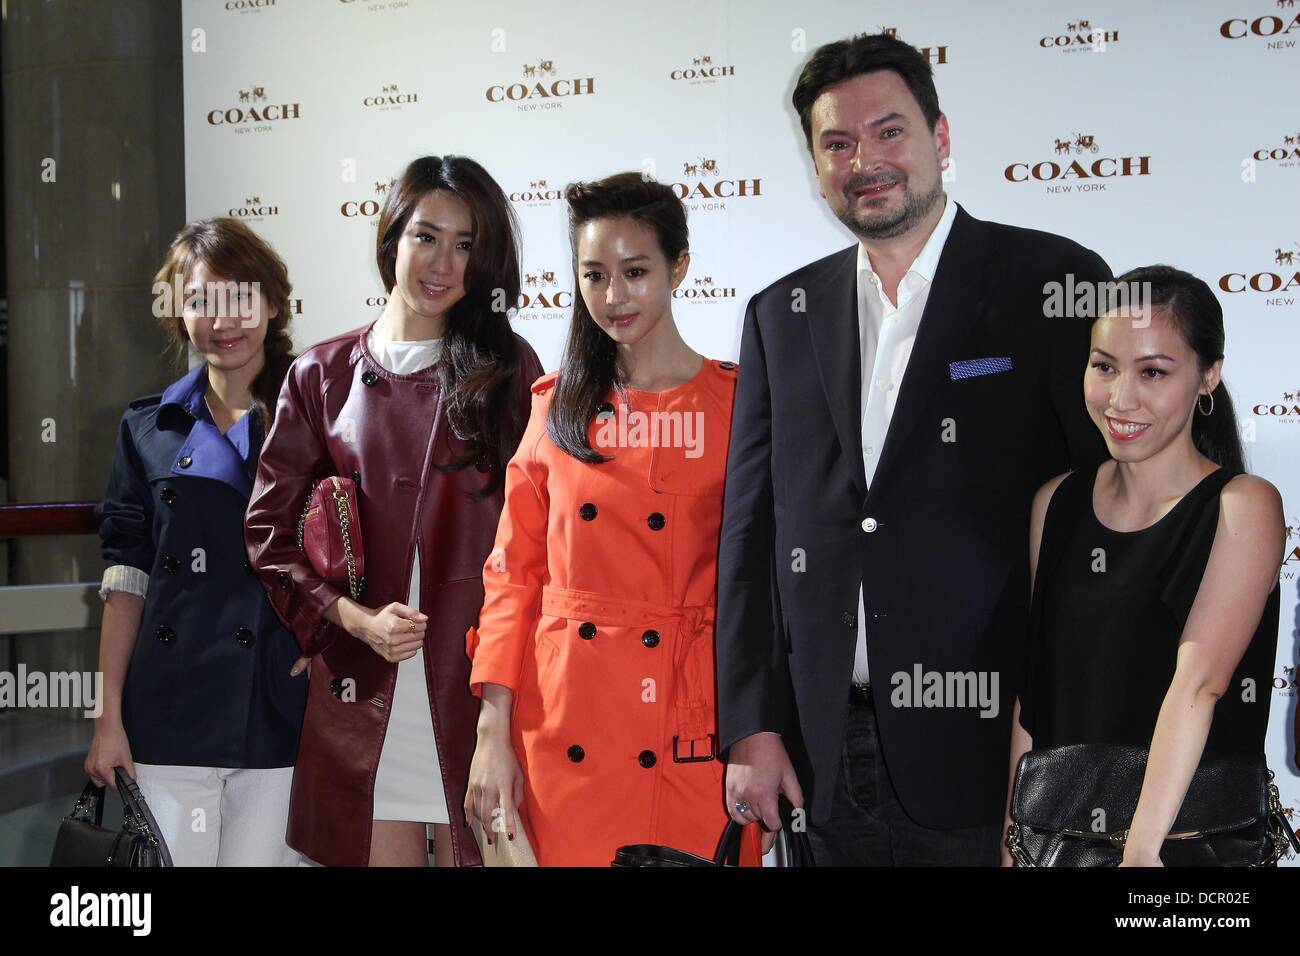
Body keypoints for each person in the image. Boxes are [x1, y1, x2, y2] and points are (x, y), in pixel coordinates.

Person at [715, 31, 1112, 865]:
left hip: (998, 751)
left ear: (939, 137)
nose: (866, 159)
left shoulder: (1055, 283)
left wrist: (1063, 738)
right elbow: (749, 538)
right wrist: (752, 725)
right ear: (816, 162)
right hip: (823, 761)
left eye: (889, 131)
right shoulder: (778, 315)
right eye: (837, 143)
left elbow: (1099, 519)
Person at [245, 155, 542, 867]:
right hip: (361, 696)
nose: (442, 262)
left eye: (466, 244)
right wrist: (349, 618)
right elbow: (269, 535)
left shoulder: (509, 372)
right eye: (426, 236)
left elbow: (537, 543)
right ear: (391, 239)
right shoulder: (320, 375)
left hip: (480, 695)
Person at [463, 172, 760, 866]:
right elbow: (512, 581)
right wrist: (492, 728)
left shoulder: (739, 408)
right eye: (594, 275)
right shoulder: (553, 409)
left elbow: (761, 595)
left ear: (679, 268)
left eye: (635, 272)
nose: (614, 296)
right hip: (565, 730)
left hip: (690, 736)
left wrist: (758, 734)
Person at [1008, 265, 1284, 866]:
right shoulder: (1055, 504)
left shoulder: (1243, 506)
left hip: (1185, 848)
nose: (1119, 397)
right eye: (1103, 365)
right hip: (1056, 841)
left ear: (1208, 376)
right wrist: (1013, 847)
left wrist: (1139, 855)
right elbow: (1035, 699)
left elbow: (1200, 685)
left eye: (1153, 372)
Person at [88, 217, 306, 866]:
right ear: (179, 316)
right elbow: (126, 581)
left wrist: (328, 646)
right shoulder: (146, 428)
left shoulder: (322, 416)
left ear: (271, 301)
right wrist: (108, 719)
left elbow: (361, 546)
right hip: (168, 708)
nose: (223, 319)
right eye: (199, 301)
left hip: (280, 705)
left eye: (240, 296)